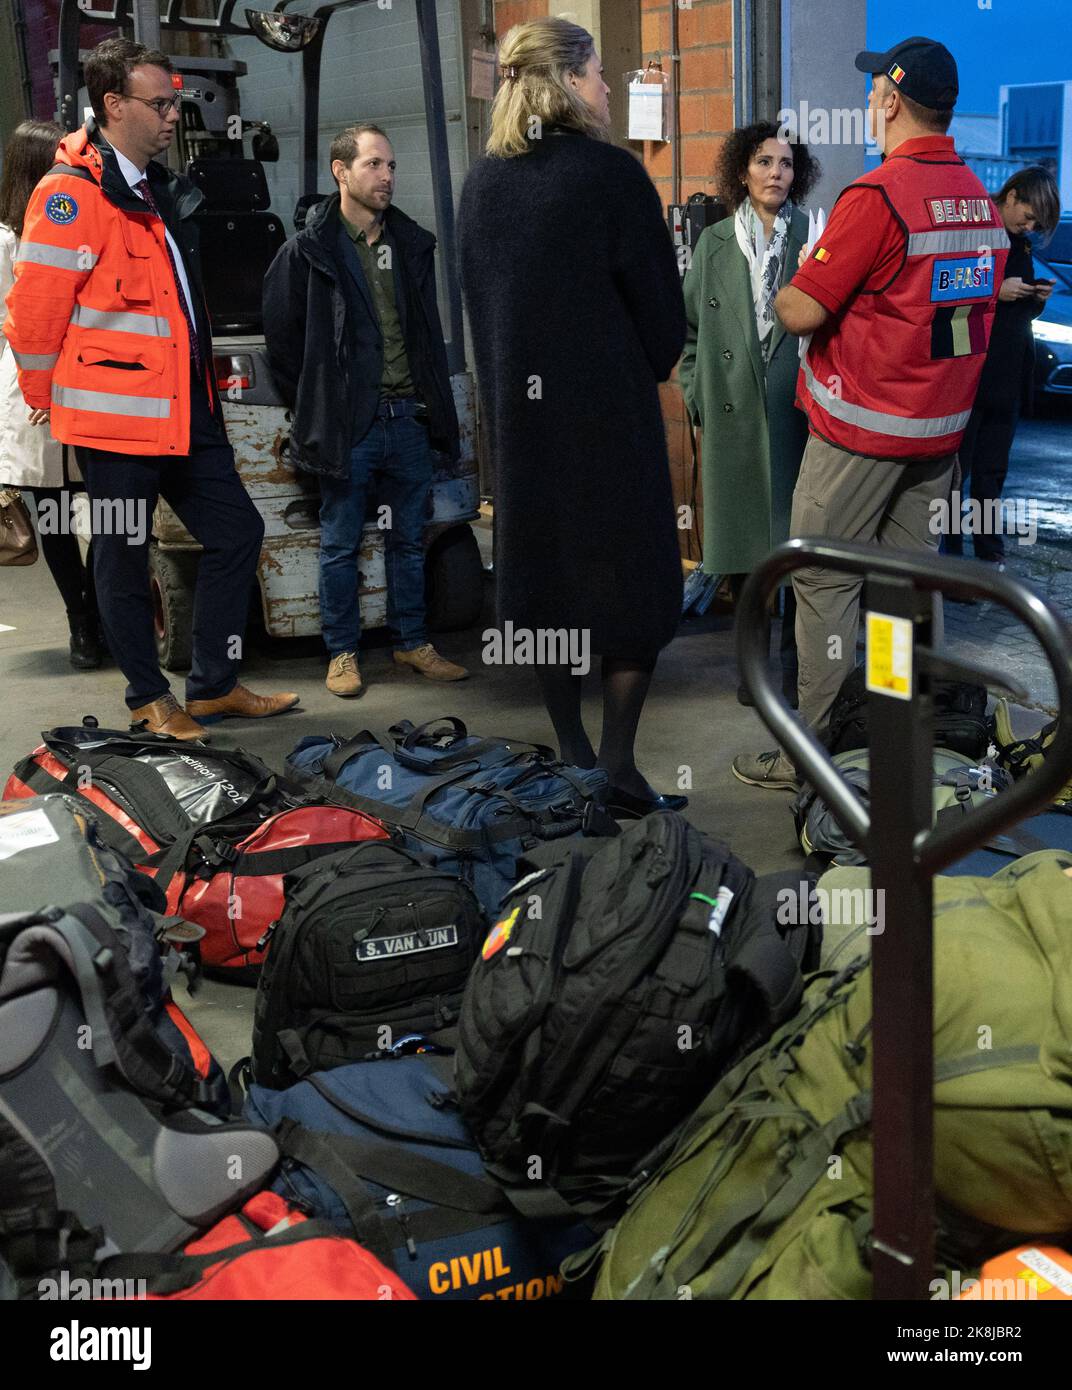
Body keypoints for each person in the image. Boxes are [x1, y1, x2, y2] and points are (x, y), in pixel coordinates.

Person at [732, 35, 1009, 790]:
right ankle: (899, 737)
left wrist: (808, 275)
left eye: (871, 93)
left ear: (890, 100)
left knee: (824, 587)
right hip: (937, 444)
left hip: (859, 438)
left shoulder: (878, 197)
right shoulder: (980, 202)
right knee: (903, 597)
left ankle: (811, 758)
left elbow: (795, 310)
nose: (865, 104)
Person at [3, 37, 297, 742]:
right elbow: (34, 314)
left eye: (175, 101)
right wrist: (48, 395)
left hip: (182, 408)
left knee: (238, 533)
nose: (173, 115)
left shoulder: (152, 187)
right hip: (113, 419)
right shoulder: (70, 194)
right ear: (113, 105)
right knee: (122, 554)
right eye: (159, 103)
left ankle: (213, 685)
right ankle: (146, 697)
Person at [457, 17, 688, 815]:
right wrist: (647, 361)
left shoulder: (482, 183)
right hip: (609, 428)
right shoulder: (610, 176)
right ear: (567, 81)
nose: (606, 90)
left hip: (523, 437)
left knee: (549, 589)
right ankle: (619, 768)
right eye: (597, 75)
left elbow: (479, 311)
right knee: (634, 594)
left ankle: (575, 758)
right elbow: (663, 318)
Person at [263, 123, 466, 696]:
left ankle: (411, 643)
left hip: (408, 414)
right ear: (340, 170)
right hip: (350, 422)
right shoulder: (308, 249)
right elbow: (282, 339)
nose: (387, 177)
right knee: (340, 542)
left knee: (409, 537)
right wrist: (318, 398)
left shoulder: (410, 243)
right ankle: (343, 654)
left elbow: (424, 334)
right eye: (374, 164)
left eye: (391, 166)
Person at [679, 121, 820, 708]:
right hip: (732, 415)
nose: (775, 174)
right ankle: (752, 675)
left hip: (794, 415)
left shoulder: (812, 236)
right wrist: (696, 394)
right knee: (742, 554)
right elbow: (689, 330)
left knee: (799, 551)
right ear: (743, 171)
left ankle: (795, 672)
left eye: (786, 164)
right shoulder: (713, 244)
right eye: (764, 162)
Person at [0, 119, 103, 670]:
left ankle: (102, 614)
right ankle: (82, 624)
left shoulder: (79, 225)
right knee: (59, 521)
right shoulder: (5, 242)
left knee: (110, 515)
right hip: (30, 395)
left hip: (88, 388)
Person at [945, 166, 1061, 569]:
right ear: (1011, 196)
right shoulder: (974, 225)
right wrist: (996, 290)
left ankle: (987, 547)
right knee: (957, 472)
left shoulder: (1020, 243)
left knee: (993, 471)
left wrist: (1035, 299)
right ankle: (950, 551)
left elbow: (1014, 316)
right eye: (1028, 217)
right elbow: (946, 289)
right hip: (972, 372)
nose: (1029, 228)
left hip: (1008, 372)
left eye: (1036, 224)